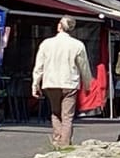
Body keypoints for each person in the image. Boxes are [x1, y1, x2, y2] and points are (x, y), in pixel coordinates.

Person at [31, 16, 93, 148]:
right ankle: (65, 143)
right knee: (67, 116)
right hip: (69, 82)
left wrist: (35, 84)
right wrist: (88, 84)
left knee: (55, 112)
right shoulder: (78, 45)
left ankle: (57, 140)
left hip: (51, 82)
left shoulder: (46, 43)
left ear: (59, 26)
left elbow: (39, 66)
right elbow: (84, 67)